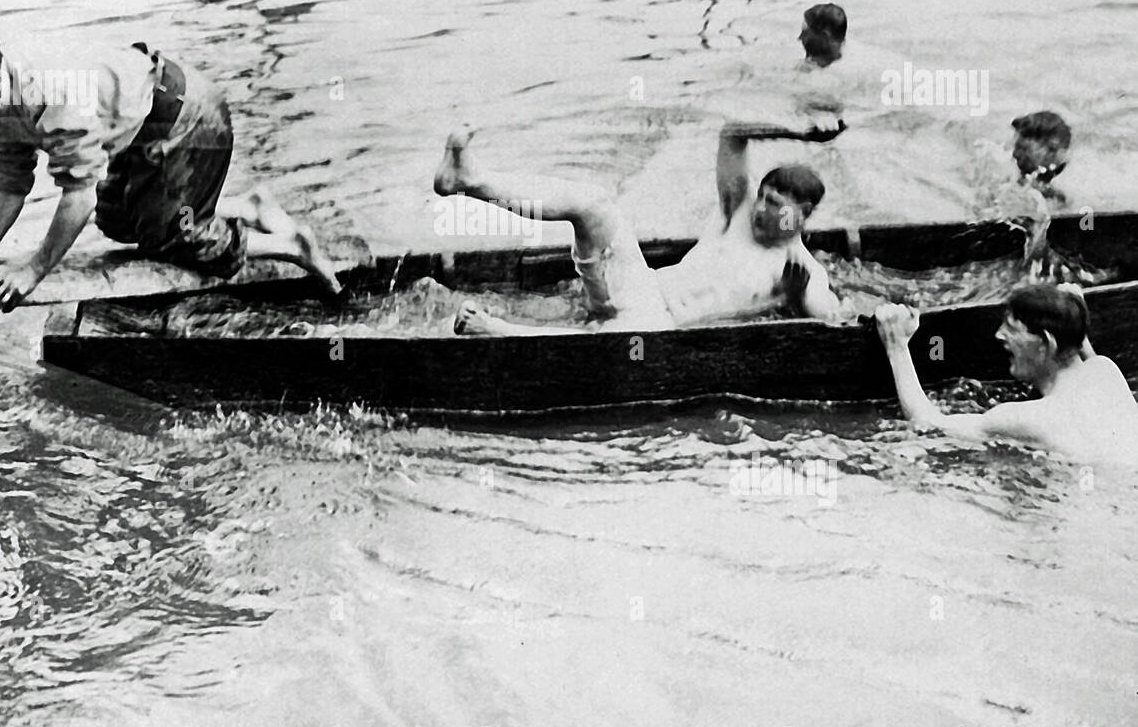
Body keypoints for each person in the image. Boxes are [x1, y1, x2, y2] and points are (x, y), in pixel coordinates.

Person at [0, 8, 339, 313]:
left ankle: (292, 245)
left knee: (172, 239)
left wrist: (34, 270)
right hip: (139, 128)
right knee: (116, 221)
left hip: (186, 115)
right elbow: (12, 180)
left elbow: (78, 193)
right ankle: (248, 208)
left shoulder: (51, 93)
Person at [433, 114, 846, 336]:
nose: (760, 210)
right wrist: (797, 131)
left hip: (663, 326)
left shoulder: (804, 273)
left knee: (632, 335)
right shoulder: (736, 212)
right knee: (593, 203)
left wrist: (795, 303)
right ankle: (470, 180)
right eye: (762, 198)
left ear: (803, 213)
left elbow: (834, 324)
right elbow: (732, 132)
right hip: (643, 286)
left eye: (775, 206)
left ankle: (496, 331)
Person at [875, 283, 1136, 461]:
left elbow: (928, 423)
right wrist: (1069, 308)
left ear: (1045, 343)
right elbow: (1078, 349)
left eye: (1011, 328)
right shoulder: (1105, 371)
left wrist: (896, 345)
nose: (999, 334)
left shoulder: (1026, 418)